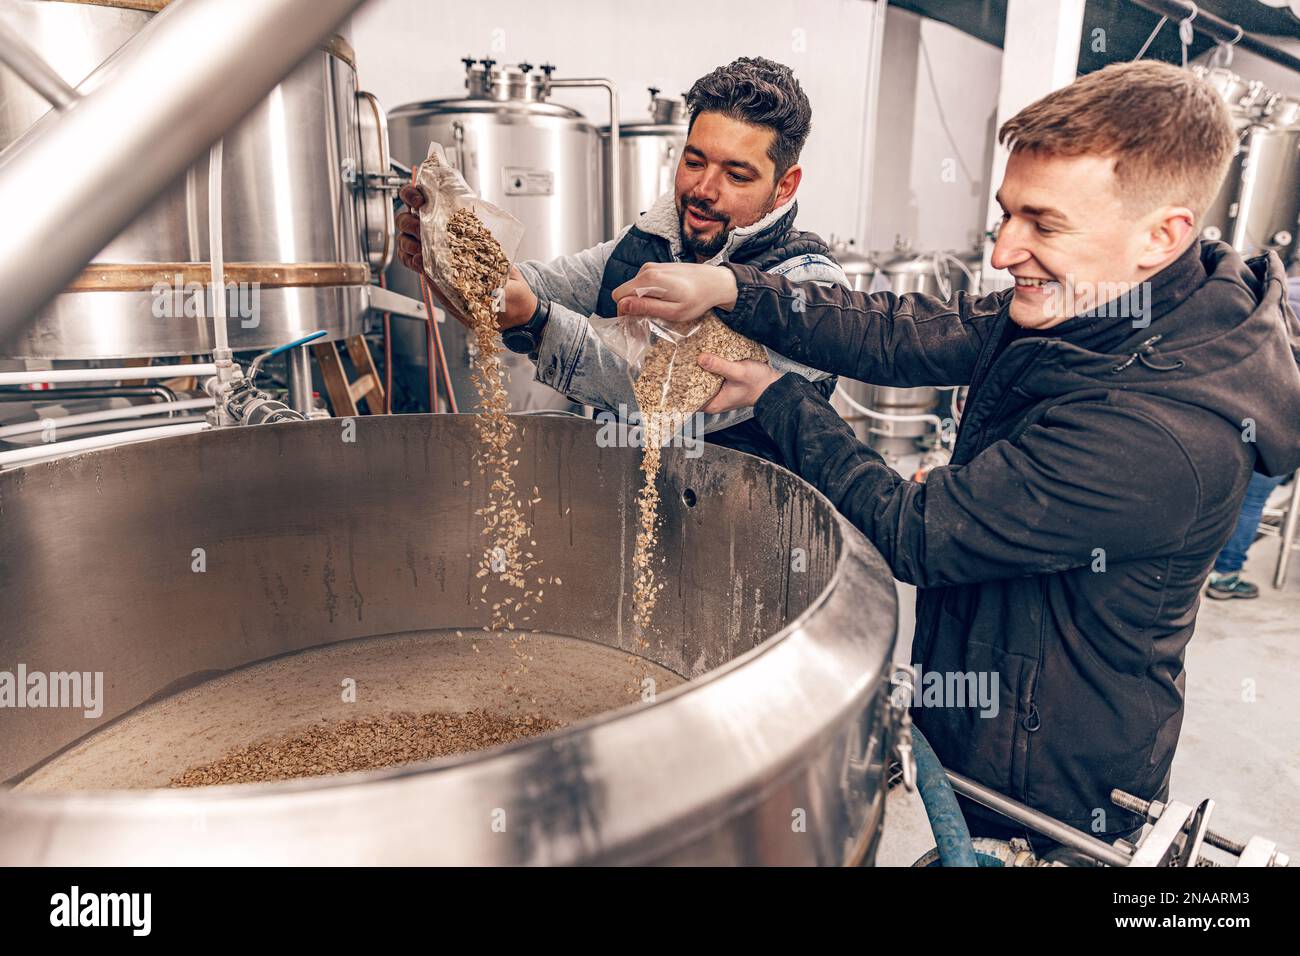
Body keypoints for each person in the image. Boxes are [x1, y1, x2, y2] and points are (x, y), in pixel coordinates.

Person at [611, 60, 1300, 852]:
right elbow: (903, 330)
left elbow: (922, 531)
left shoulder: (1160, 429)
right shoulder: (1093, 302)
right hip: (986, 711)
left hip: (1054, 788)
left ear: (1162, 236)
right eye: (1005, 216)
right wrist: (733, 288)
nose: (1006, 251)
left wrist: (780, 399)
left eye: (1043, 224)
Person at [396, 56, 847, 465]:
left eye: (735, 174)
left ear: (784, 186)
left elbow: (672, 393)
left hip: (745, 531)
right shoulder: (646, 244)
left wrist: (535, 322)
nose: (704, 189)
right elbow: (522, 289)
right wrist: (446, 250)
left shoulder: (808, 288)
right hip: (629, 514)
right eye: (694, 162)